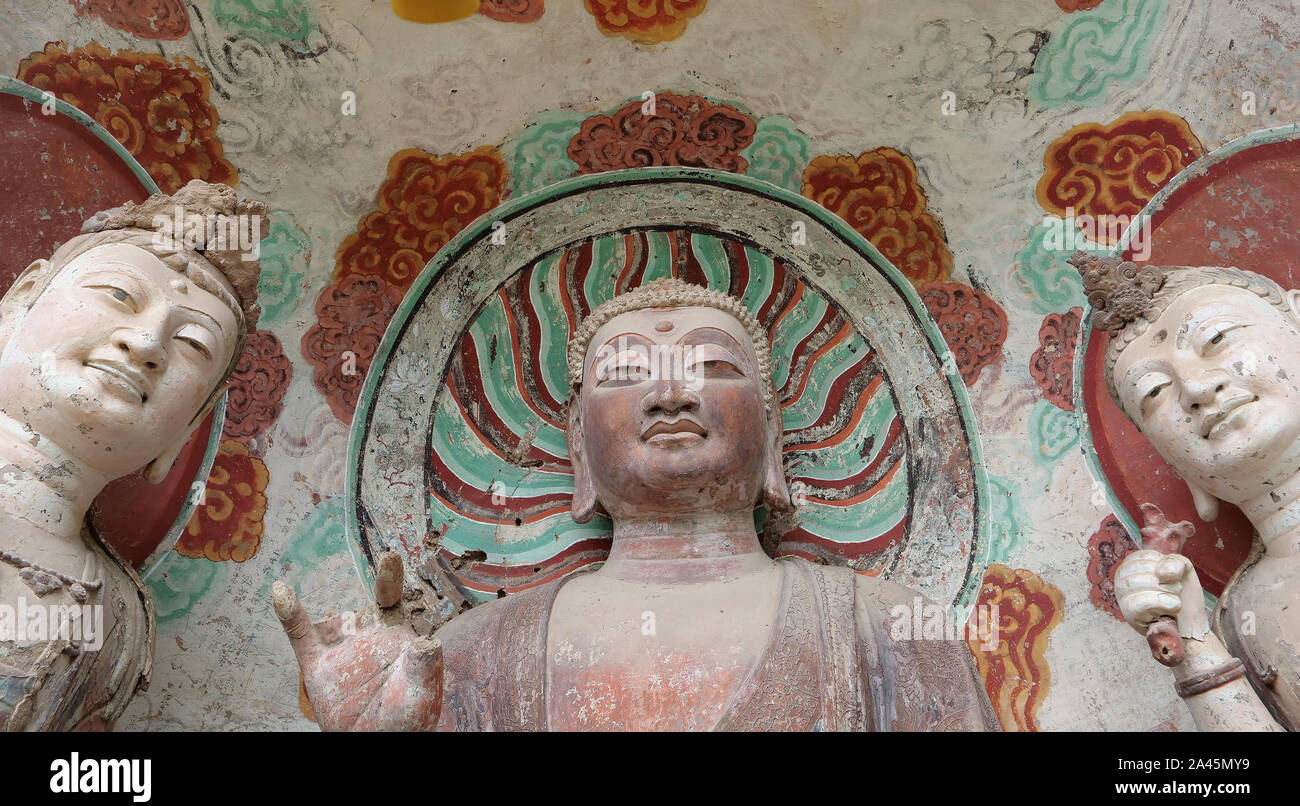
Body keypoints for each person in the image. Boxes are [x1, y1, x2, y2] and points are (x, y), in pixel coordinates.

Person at [274, 278, 999, 731]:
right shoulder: (470, 656)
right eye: (625, 375)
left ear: (773, 431)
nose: (670, 393)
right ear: (577, 445)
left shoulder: (888, 633)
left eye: (712, 366)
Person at [0, 180, 264, 730]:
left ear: (187, 429)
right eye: (119, 295)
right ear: (19, 300)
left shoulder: (115, 616)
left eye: (194, 343)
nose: (145, 344)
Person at [1070, 252, 1295, 731]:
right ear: (1181, 471)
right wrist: (1193, 640)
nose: (1194, 387)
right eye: (1154, 392)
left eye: (1215, 338)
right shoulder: (1243, 619)